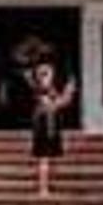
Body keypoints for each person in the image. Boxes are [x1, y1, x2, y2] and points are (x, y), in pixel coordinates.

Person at [25, 56, 71, 194]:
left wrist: (66, 94)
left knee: (49, 158)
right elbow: (52, 105)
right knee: (44, 158)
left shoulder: (50, 89)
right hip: (44, 125)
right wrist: (66, 95)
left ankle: (47, 185)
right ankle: (43, 188)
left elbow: (59, 103)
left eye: (50, 72)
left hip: (51, 124)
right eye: (46, 73)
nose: (50, 75)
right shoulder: (41, 90)